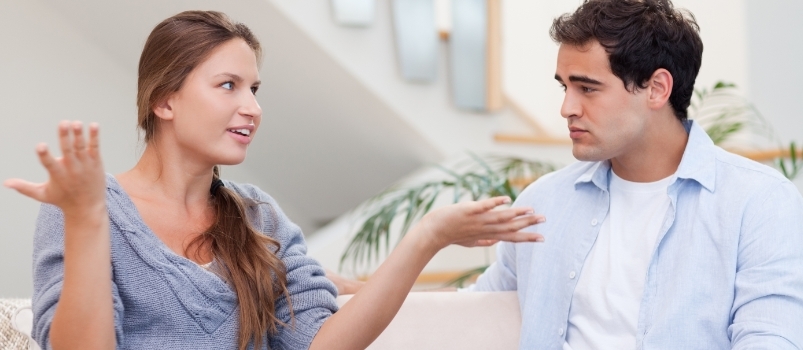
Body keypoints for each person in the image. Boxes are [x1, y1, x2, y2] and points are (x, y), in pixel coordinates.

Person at [2, 11, 545, 350]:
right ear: (164, 99)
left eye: (255, 89)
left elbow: (321, 346)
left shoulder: (259, 216)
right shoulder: (87, 209)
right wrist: (87, 221)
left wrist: (427, 237)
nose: (252, 107)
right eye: (229, 85)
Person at [464, 0, 803, 349]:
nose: (567, 108)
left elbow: (771, 339)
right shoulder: (542, 203)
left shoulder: (759, 202)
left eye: (588, 88)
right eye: (565, 87)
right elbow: (475, 314)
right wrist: (431, 238)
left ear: (657, 88)